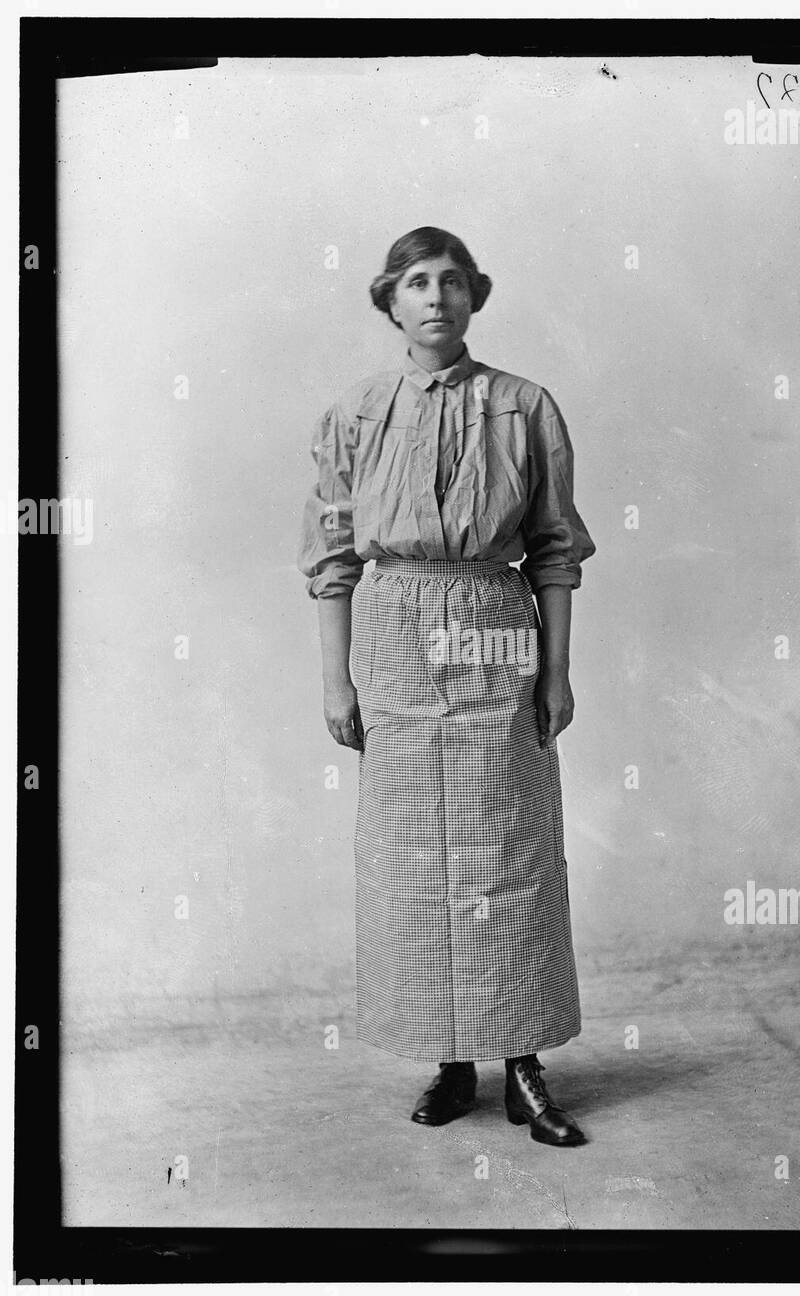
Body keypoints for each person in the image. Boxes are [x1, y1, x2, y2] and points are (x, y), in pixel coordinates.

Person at [297, 226, 596, 1146]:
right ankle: (450, 1060)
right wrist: (337, 681)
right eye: (418, 283)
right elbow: (331, 558)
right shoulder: (354, 414)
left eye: (454, 282)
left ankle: (524, 1067)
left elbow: (553, 547)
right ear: (389, 302)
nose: (437, 298)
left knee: (507, 847)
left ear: (475, 298)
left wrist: (556, 668)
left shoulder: (524, 407)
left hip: (495, 627)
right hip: (392, 632)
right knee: (415, 858)